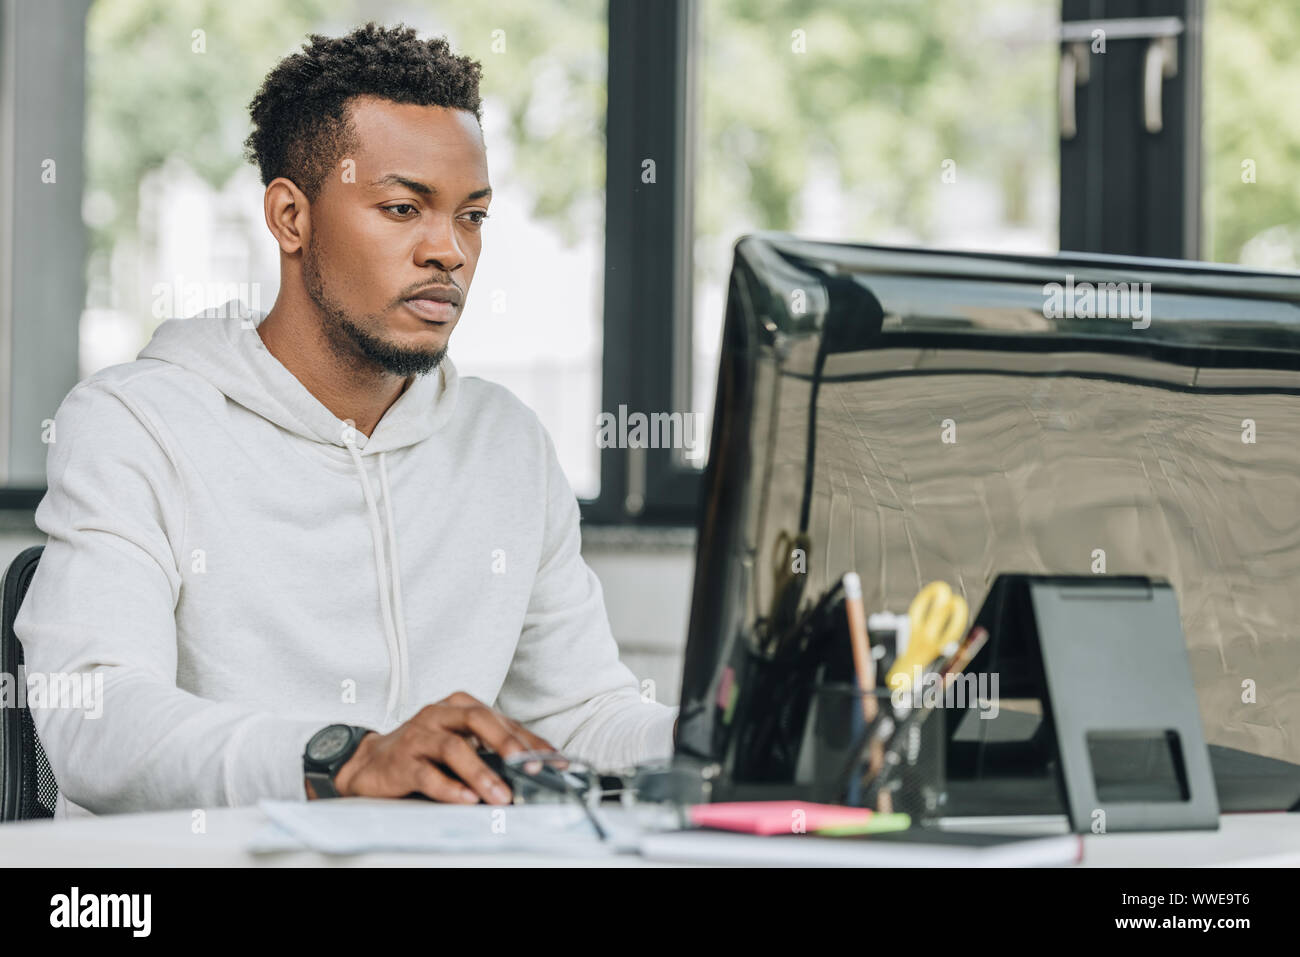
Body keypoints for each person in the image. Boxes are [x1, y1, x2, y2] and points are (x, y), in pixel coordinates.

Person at [16, 22, 677, 818]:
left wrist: (746, 742)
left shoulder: (508, 446)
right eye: (404, 208)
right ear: (291, 218)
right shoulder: (134, 424)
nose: (450, 251)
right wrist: (343, 758)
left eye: (473, 216)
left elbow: (583, 716)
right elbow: (96, 719)